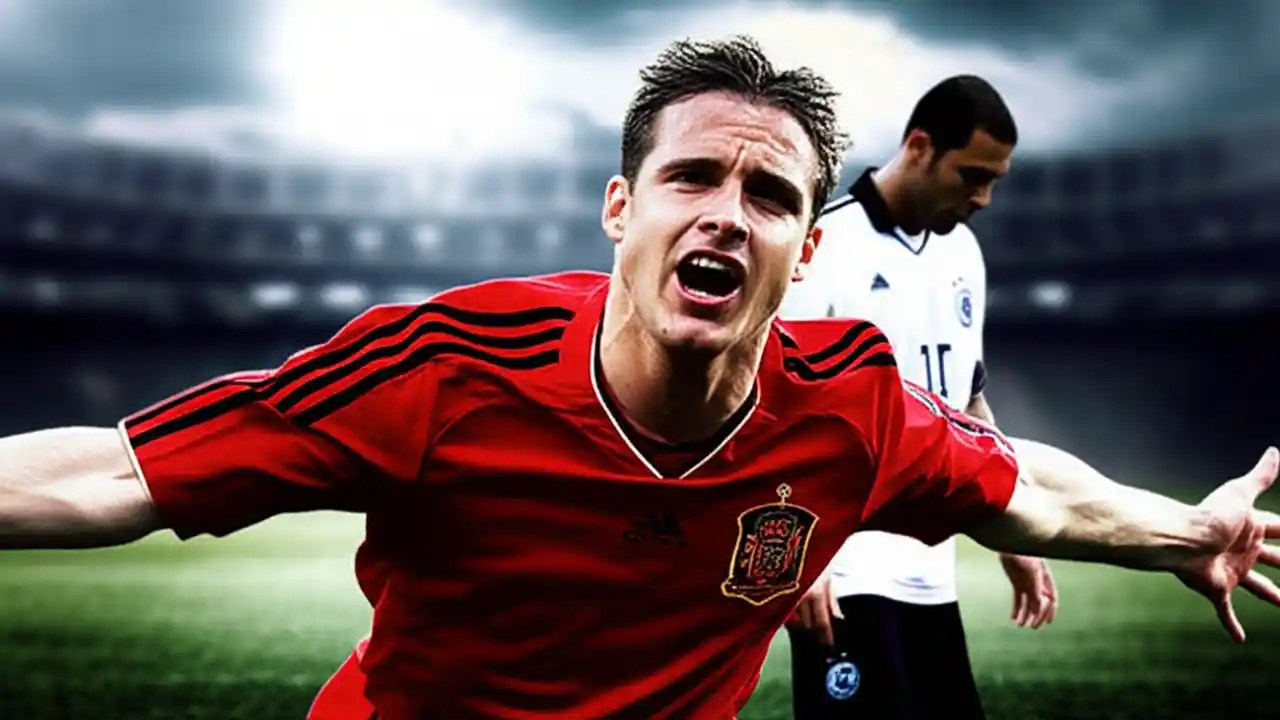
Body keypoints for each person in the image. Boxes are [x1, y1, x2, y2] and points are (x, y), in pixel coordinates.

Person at [1, 36, 1278, 720]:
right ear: (621, 209)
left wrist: (1187, 534)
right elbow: (123, 470)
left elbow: (1029, 492)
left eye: (769, 194)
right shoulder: (444, 364)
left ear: (804, 247)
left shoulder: (850, 404)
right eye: (690, 178)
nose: (726, 214)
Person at [779, 75, 1054, 718]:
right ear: (920, 146)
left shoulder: (964, 254)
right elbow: (776, 409)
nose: (983, 197)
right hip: (844, 572)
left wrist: (1013, 532)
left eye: (995, 180)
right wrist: (800, 558)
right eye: (972, 175)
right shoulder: (823, 247)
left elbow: (969, 408)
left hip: (932, 574)